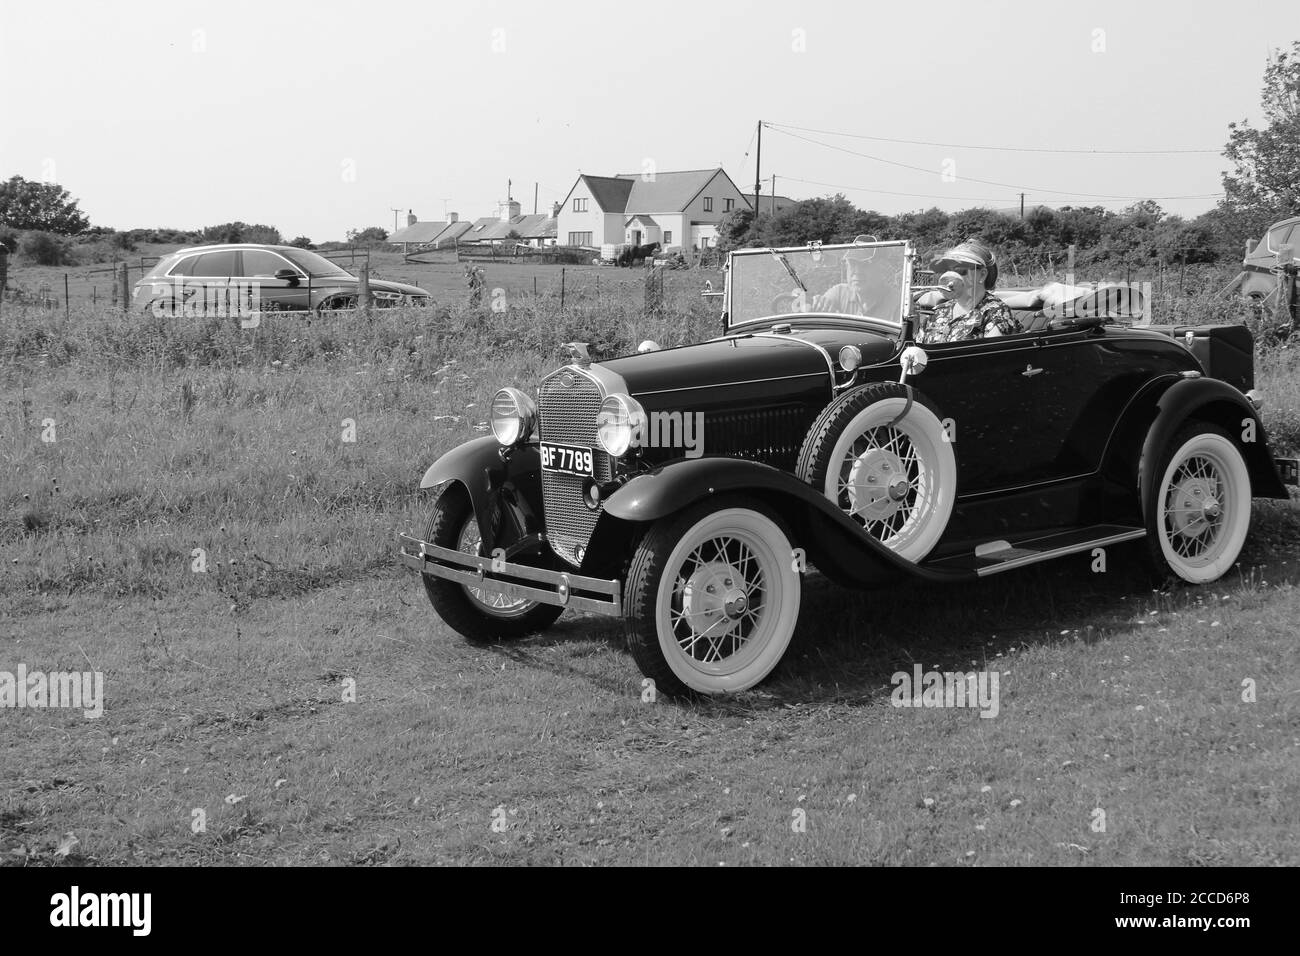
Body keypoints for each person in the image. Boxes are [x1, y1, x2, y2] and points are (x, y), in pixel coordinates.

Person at [917, 241, 1020, 343]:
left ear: (982, 275)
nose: (950, 277)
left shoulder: (997, 313)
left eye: (960, 270)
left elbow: (990, 357)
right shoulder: (937, 312)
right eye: (948, 270)